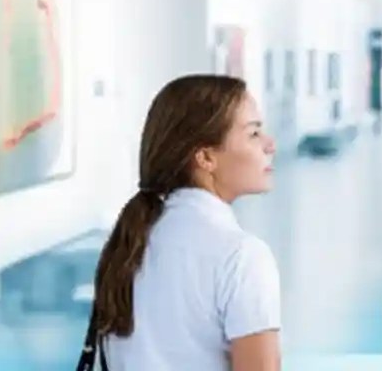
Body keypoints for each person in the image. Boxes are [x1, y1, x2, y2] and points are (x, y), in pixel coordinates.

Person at [87, 74, 280, 371]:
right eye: (254, 133)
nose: (270, 145)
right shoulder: (242, 256)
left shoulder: (126, 245)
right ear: (206, 158)